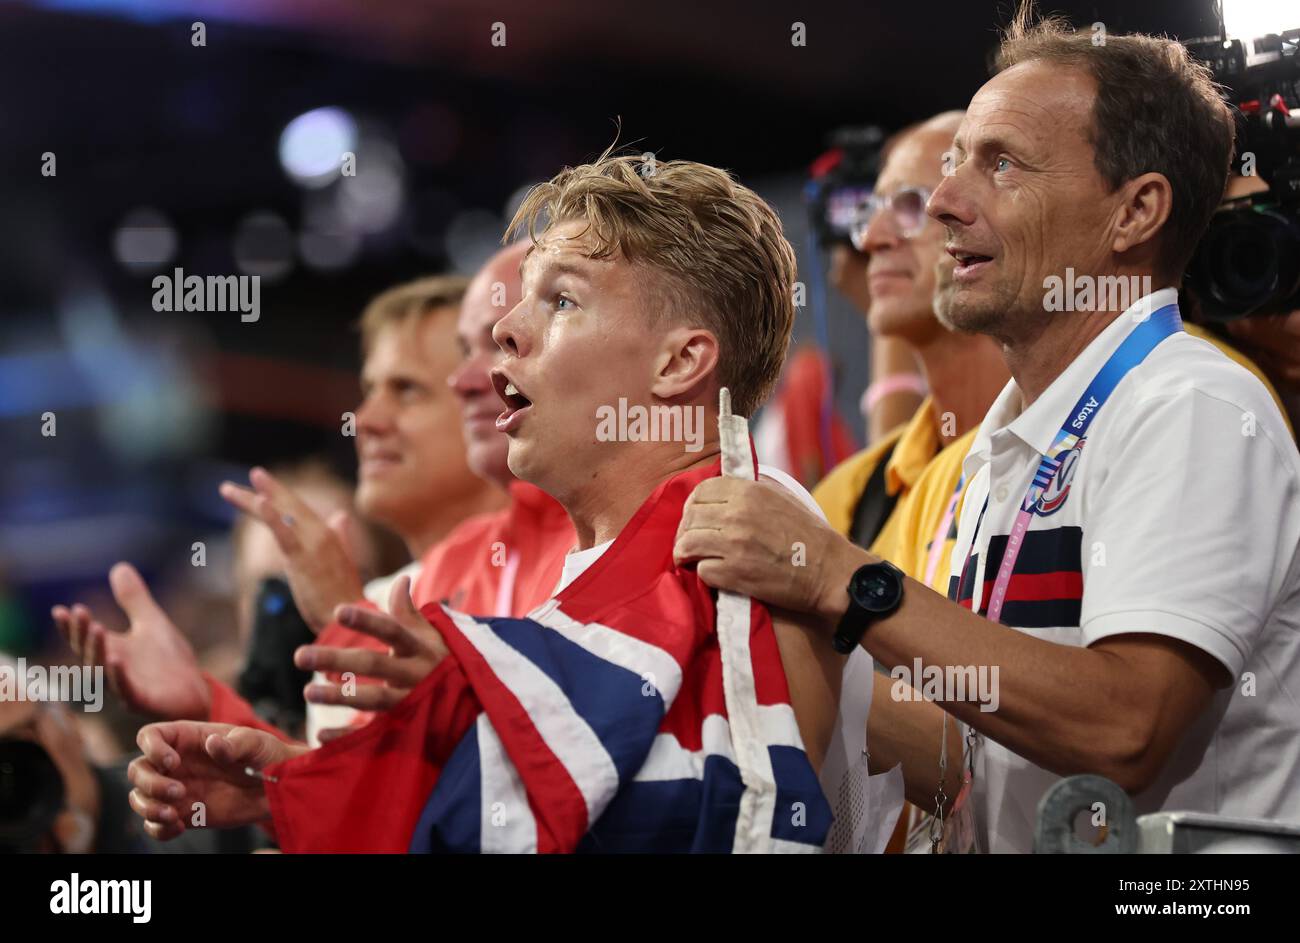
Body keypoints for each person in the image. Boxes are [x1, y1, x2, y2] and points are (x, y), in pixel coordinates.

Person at [671, 8, 1300, 853]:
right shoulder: (1002, 444)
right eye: (957, 161)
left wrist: (835, 577)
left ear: (1135, 211)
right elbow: (972, 758)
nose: (942, 203)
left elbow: (1126, 729)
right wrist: (780, 649)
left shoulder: (1190, 405)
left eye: (1000, 164)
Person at [126, 151, 863, 853]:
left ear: (679, 363)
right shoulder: (592, 592)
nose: (505, 337)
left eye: (562, 300)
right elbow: (560, 803)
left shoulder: (746, 524)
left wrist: (468, 689)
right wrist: (289, 784)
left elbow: (697, 816)